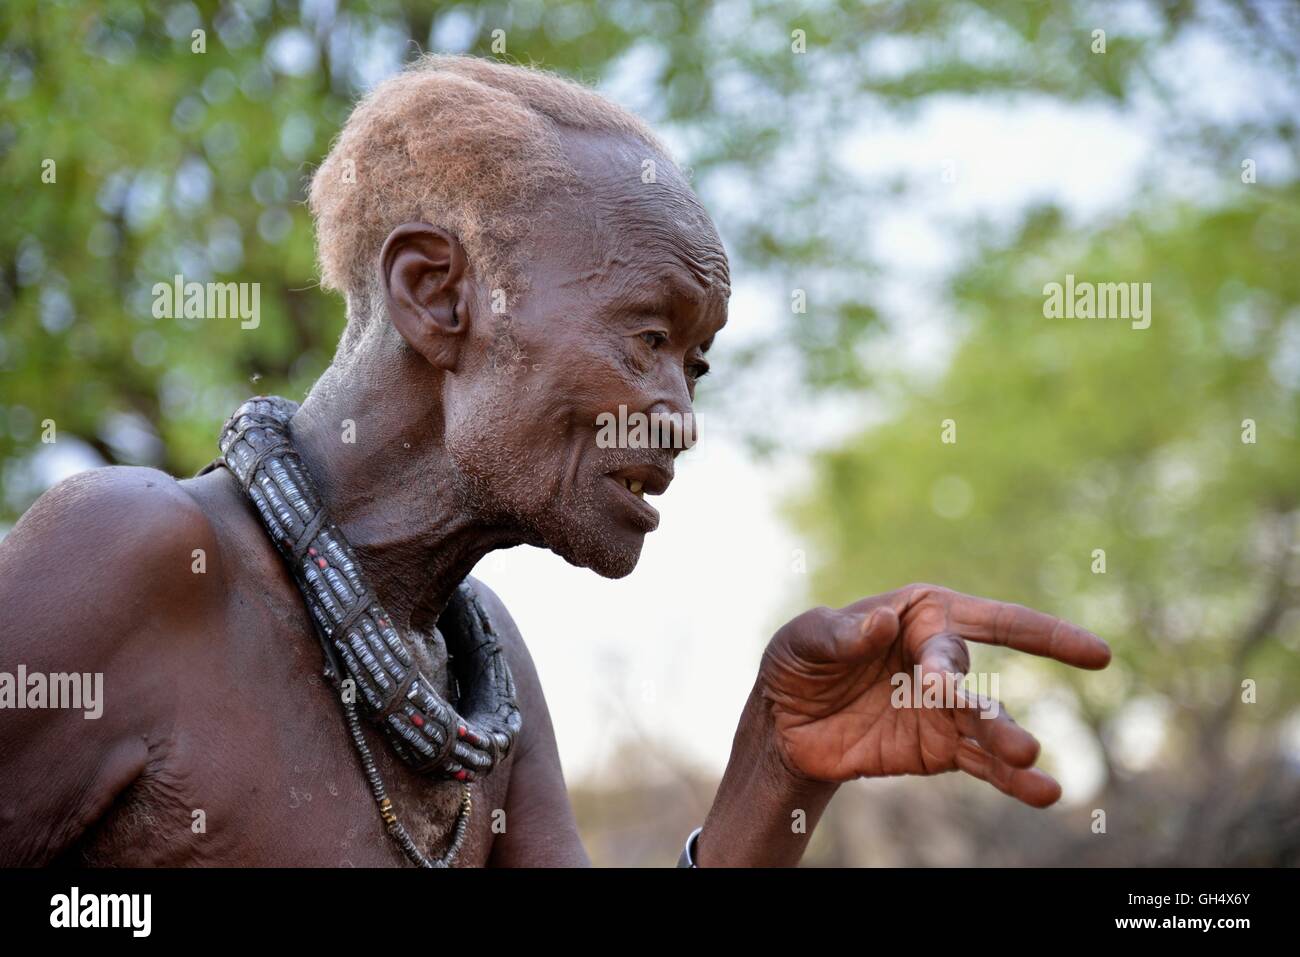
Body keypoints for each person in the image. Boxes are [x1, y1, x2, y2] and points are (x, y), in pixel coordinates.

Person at [0, 55, 1109, 867]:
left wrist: (780, 763)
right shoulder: (136, 560)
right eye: (648, 340)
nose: (677, 418)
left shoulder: (482, 677)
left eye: (698, 366)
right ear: (437, 294)